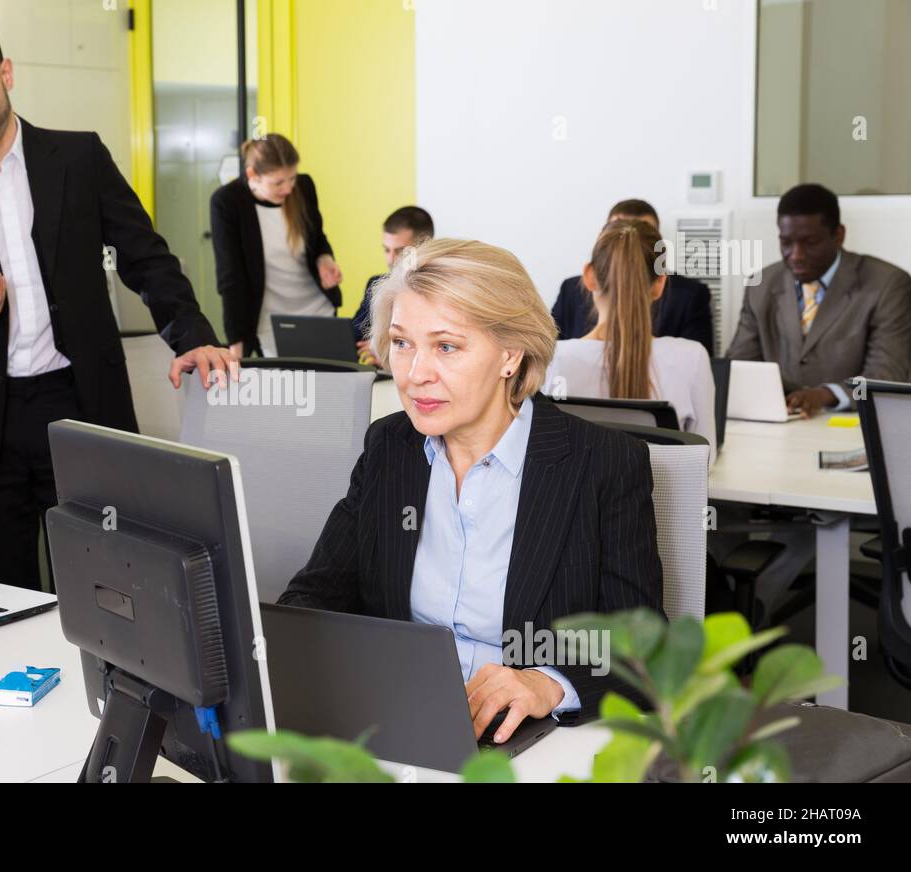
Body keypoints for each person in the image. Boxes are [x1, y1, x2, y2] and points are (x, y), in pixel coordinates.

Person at [0, 20, 231, 590]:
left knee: (108, 588)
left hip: (80, 404)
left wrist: (191, 334)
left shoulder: (79, 157)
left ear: (6, 73)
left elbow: (144, 256)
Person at [278, 238, 664, 742]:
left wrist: (546, 683)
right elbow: (315, 594)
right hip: (399, 724)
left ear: (510, 355)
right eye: (401, 343)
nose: (415, 375)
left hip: (531, 738)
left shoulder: (603, 465)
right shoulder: (389, 447)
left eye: (446, 346)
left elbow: (644, 649)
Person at [726, 183, 911, 417]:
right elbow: (739, 367)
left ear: (838, 235)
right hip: (780, 422)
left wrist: (826, 395)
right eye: (786, 242)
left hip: (854, 425)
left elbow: (886, 375)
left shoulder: (887, 285)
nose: (796, 255)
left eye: (810, 243)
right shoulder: (761, 285)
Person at [545, 219, 717, 464]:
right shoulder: (692, 357)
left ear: (589, 277)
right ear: (659, 284)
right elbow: (704, 463)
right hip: (662, 503)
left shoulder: (552, 358)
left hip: (577, 502)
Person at [209, 134, 343, 358]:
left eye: (292, 178)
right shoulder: (227, 202)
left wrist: (324, 260)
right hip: (270, 322)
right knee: (284, 389)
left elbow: (317, 238)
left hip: (317, 308)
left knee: (329, 388)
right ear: (253, 174)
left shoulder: (304, 186)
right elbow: (231, 278)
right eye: (278, 182)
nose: (289, 188)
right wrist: (236, 345)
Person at [552, 198, 714, 355]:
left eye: (643, 235)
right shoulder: (570, 290)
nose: (630, 248)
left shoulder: (690, 295)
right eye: (618, 233)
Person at [351, 206, 434, 366]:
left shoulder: (441, 291)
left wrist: (388, 353)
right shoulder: (377, 285)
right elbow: (354, 336)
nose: (391, 259)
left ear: (424, 246)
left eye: (400, 251)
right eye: (386, 250)